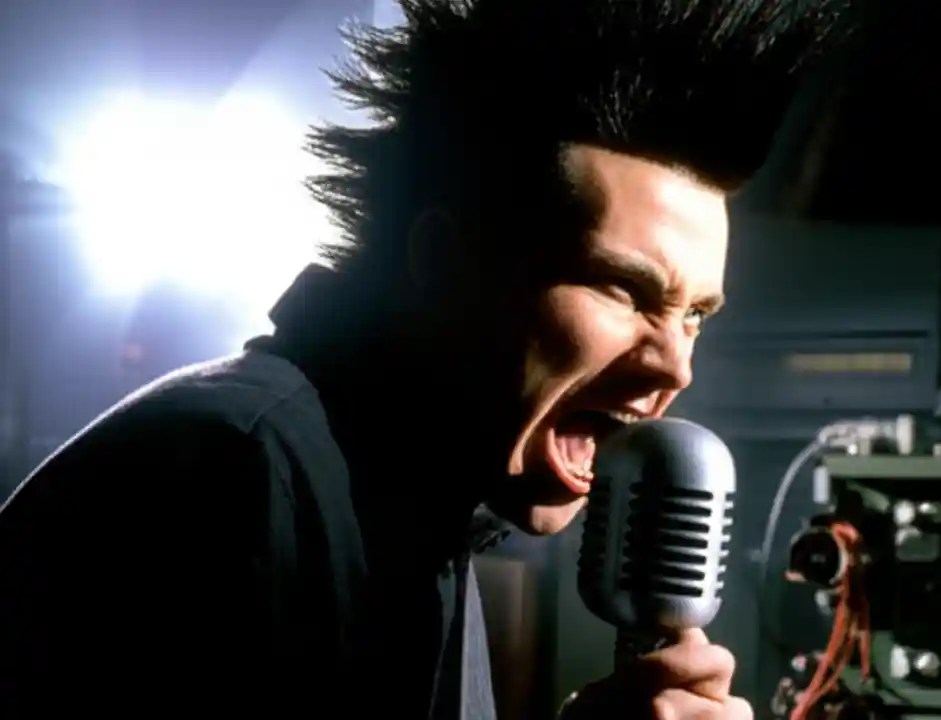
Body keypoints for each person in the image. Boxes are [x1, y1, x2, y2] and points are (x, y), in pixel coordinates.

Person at [0, 0, 846, 716]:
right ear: (447, 262)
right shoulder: (235, 474)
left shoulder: (419, 526)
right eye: (626, 292)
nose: (675, 367)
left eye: (695, 314)